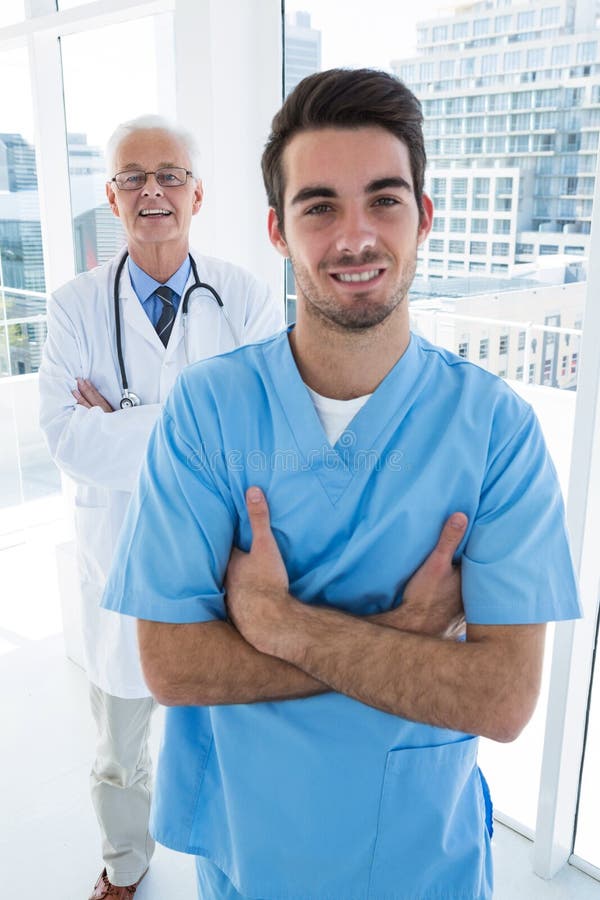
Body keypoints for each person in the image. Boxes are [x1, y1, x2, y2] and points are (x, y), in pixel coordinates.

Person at [102, 71, 581, 899]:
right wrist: (403, 636)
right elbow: (172, 664)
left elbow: (503, 699)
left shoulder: (496, 430)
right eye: (319, 206)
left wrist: (279, 625)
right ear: (278, 232)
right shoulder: (208, 410)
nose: (354, 236)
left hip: (417, 853)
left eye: (385, 200)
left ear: (424, 218)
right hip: (248, 842)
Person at [38, 113, 283, 900]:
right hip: (119, 557)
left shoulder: (244, 298)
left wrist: (130, 424)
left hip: (220, 563)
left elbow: (262, 434)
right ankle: (124, 865)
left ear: (198, 194)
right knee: (118, 742)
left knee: (226, 735)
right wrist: (194, 421)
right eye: (133, 177)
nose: (153, 191)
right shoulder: (74, 307)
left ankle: (232, 866)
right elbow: (68, 439)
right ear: (111, 199)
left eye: (169, 175)